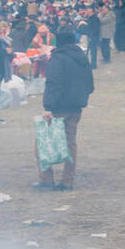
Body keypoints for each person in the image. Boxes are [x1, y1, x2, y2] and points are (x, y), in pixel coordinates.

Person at [33, 26, 93, 191]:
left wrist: (48, 106)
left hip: (59, 107)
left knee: (42, 142)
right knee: (70, 143)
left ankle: (46, 179)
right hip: (76, 107)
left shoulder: (57, 59)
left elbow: (54, 84)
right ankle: (67, 181)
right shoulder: (82, 57)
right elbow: (90, 84)